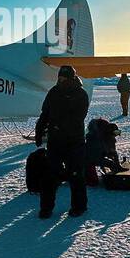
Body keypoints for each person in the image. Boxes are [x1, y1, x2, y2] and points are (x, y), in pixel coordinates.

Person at [34, 64, 90, 219]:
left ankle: (79, 207)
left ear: (71, 78)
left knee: (76, 175)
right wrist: (39, 131)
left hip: (74, 141)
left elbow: (78, 117)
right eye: (59, 78)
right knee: (49, 176)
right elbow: (45, 113)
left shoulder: (81, 94)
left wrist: (58, 125)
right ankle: (46, 208)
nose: (61, 80)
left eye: (64, 78)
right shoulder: (54, 92)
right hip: (55, 141)